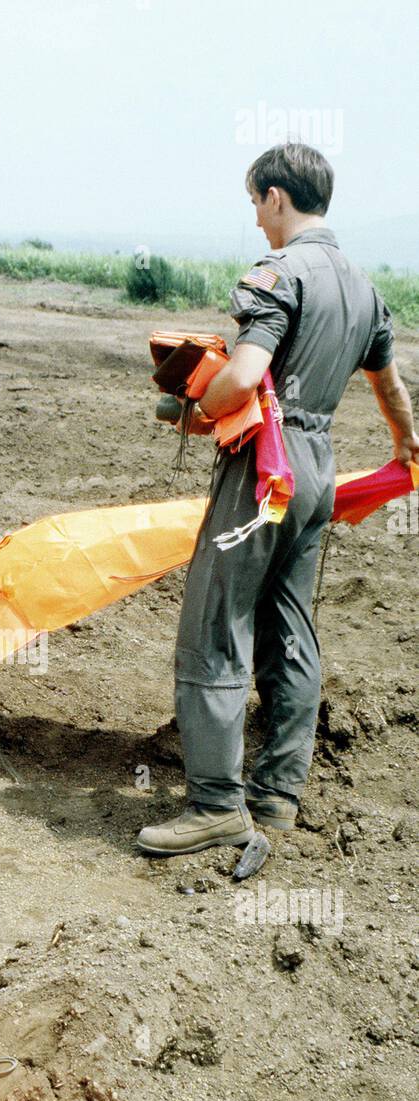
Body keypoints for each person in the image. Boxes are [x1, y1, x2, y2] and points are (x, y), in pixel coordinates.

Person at [138, 143, 419, 856]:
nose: (256, 219)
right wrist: (405, 449)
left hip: (264, 466)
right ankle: (277, 795)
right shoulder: (363, 285)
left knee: (214, 625)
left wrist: (196, 399)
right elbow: (388, 387)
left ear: (274, 197)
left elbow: (245, 376)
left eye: (255, 203)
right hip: (317, 465)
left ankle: (213, 806)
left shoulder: (276, 274)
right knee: (290, 627)